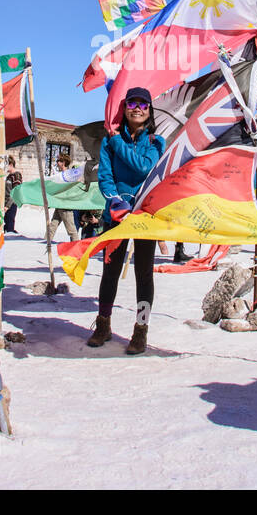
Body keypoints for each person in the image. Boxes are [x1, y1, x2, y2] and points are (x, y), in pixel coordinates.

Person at [87, 86, 164, 354]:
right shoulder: (107, 142)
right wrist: (115, 200)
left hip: (145, 216)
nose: (138, 108)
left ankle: (140, 330)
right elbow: (105, 176)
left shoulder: (156, 142)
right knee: (110, 272)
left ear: (150, 110)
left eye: (144, 104)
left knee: (144, 274)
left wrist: (117, 140)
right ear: (124, 107)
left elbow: (144, 167)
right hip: (116, 215)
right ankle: (103, 324)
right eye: (132, 103)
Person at [46, 154, 79, 242]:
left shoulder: (68, 175)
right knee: (54, 223)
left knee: (71, 228)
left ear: (63, 163)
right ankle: (46, 242)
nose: (56, 163)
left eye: (58, 161)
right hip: (60, 203)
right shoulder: (61, 175)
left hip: (66, 204)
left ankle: (75, 244)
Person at [3, 156, 22, 234]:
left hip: (11, 204)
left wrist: (7, 205)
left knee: (10, 225)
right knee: (5, 225)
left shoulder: (16, 176)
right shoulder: (8, 177)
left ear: (10, 164)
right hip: (5, 204)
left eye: (6, 165)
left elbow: (15, 192)